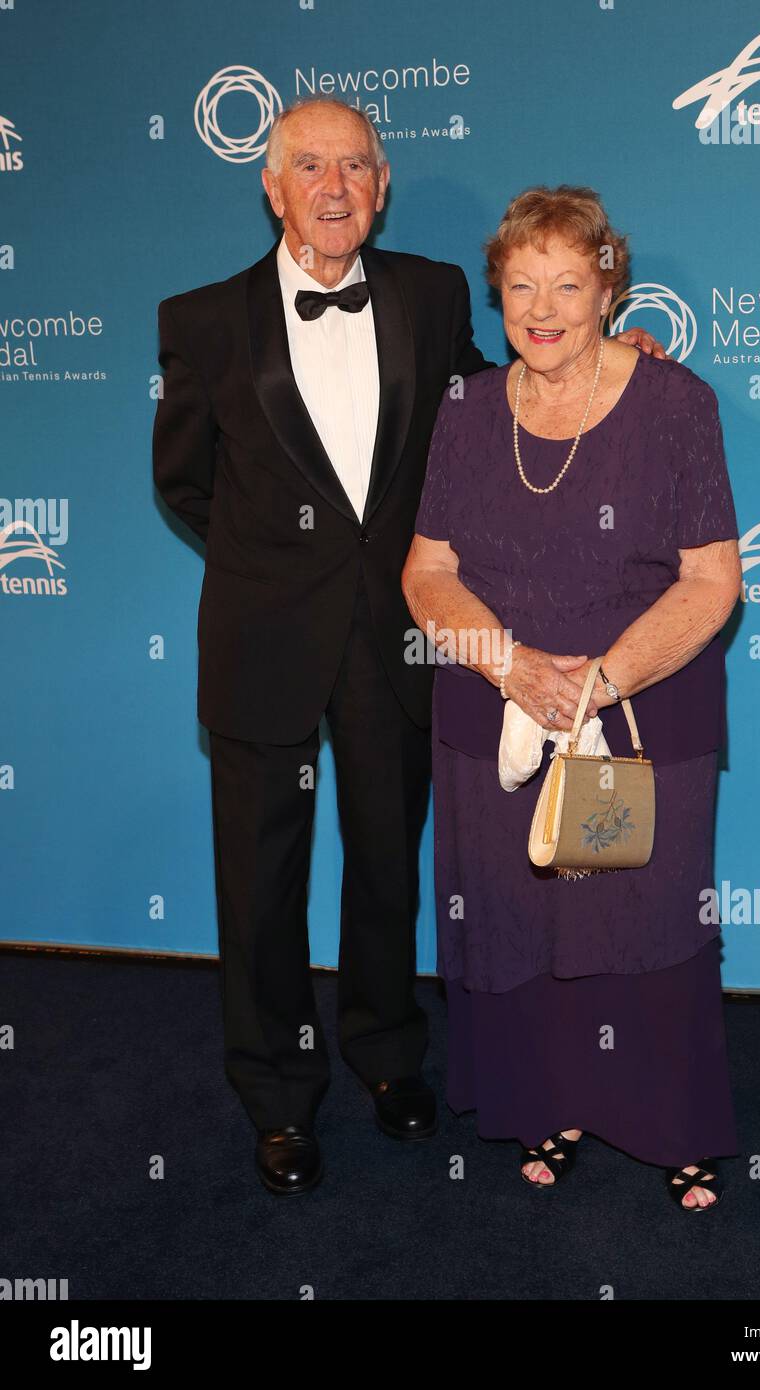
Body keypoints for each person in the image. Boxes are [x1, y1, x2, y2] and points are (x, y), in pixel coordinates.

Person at [152, 104, 664, 1195]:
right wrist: (278, 567)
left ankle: (387, 1057)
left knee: (387, 866)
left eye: (354, 165)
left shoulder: (431, 296)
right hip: (263, 642)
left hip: (399, 639)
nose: (333, 186)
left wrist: (610, 361)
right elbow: (185, 482)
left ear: (381, 187)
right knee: (259, 884)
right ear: (272, 187)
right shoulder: (201, 320)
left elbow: (498, 404)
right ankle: (278, 1096)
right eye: (308, 166)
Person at [402, 185, 743, 1210]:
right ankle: (542, 1102)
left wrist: (598, 681)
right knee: (518, 913)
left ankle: (666, 1123)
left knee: (642, 915)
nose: (541, 309)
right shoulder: (466, 411)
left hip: (642, 713)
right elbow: (427, 571)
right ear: (496, 295)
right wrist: (514, 668)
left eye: (565, 284)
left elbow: (712, 580)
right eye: (520, 286)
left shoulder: (676, 405)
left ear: (608, 290)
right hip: (493, 711)